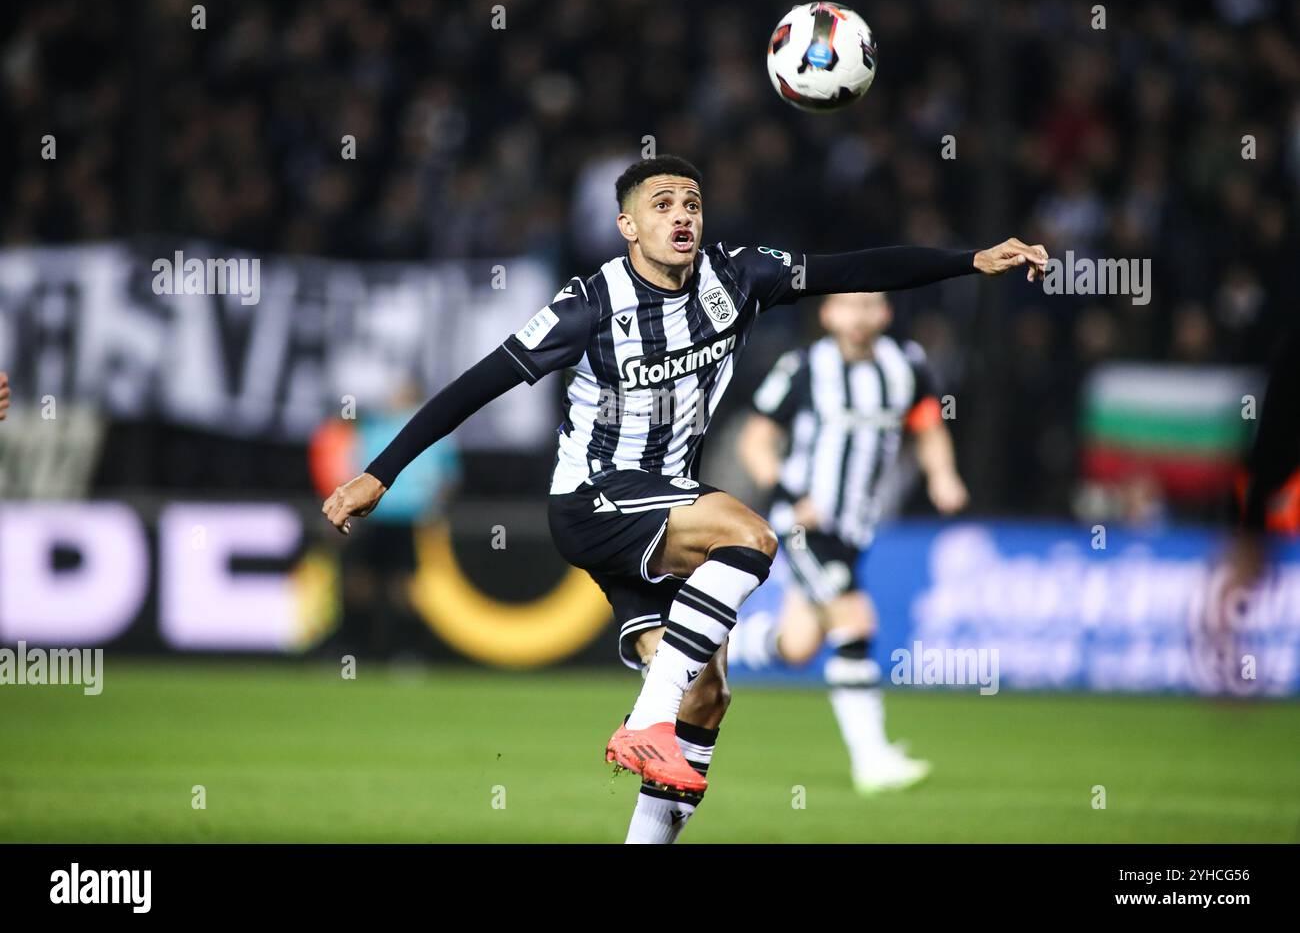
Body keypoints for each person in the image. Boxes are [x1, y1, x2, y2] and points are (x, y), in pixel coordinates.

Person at [321, 155, 1048, 843]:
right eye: (661, 205)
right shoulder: (588, 305)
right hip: (596, 499)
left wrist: (969, 260)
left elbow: (857, 269)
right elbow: (475, 385)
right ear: (627, 227)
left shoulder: (740, 278)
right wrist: (379, 473)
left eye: (692, 204)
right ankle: (645, 717)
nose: (681, 216)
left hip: (666, 507)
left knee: (707, 696)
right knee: (752, 537)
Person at [733, 290, 967, 794]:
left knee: (798, 645)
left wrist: (942, 476)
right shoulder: (804, 367)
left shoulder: (906, 365)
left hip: (855, 529)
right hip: (803, 526)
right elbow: (755, 440)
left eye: (870, 306)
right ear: (827, 313)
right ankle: (871, 760)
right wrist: (790, 495)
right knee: (855, 619)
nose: (859, 316)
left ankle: (705, 649)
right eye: (848, 305)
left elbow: (927, 426)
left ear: (885, 312)